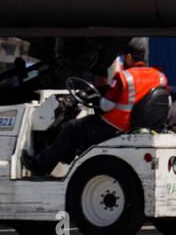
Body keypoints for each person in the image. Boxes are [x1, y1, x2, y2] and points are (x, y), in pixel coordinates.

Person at [26, 39, 168, 176]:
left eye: (125, 57)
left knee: (71, 128)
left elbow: (106, 107)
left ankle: (40, 166)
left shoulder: (124, 77)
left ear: (129, 57)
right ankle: (67, 162)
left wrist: (96, 99)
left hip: (116, 126)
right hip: (142, 126)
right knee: (82, 130)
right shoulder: (160, 76)